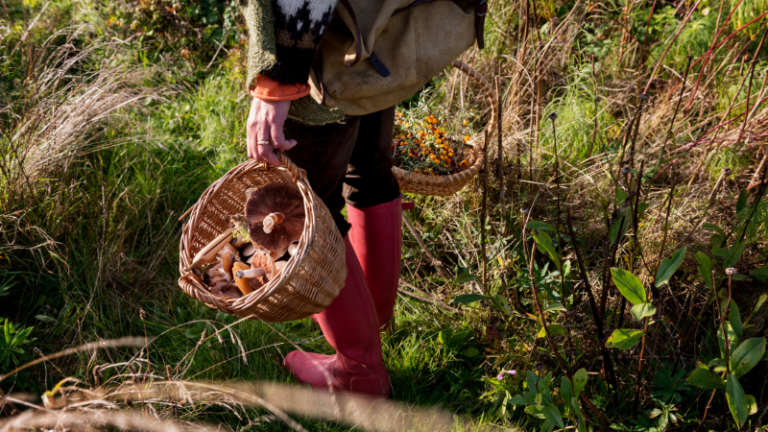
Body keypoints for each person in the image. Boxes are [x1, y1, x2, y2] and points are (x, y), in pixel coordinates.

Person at [239, 0, 402, 398]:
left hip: (315, 54)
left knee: (298, 208)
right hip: (366, 35)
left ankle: (359, 371)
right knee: (368, 174)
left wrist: (278, 80)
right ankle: (372, 320)